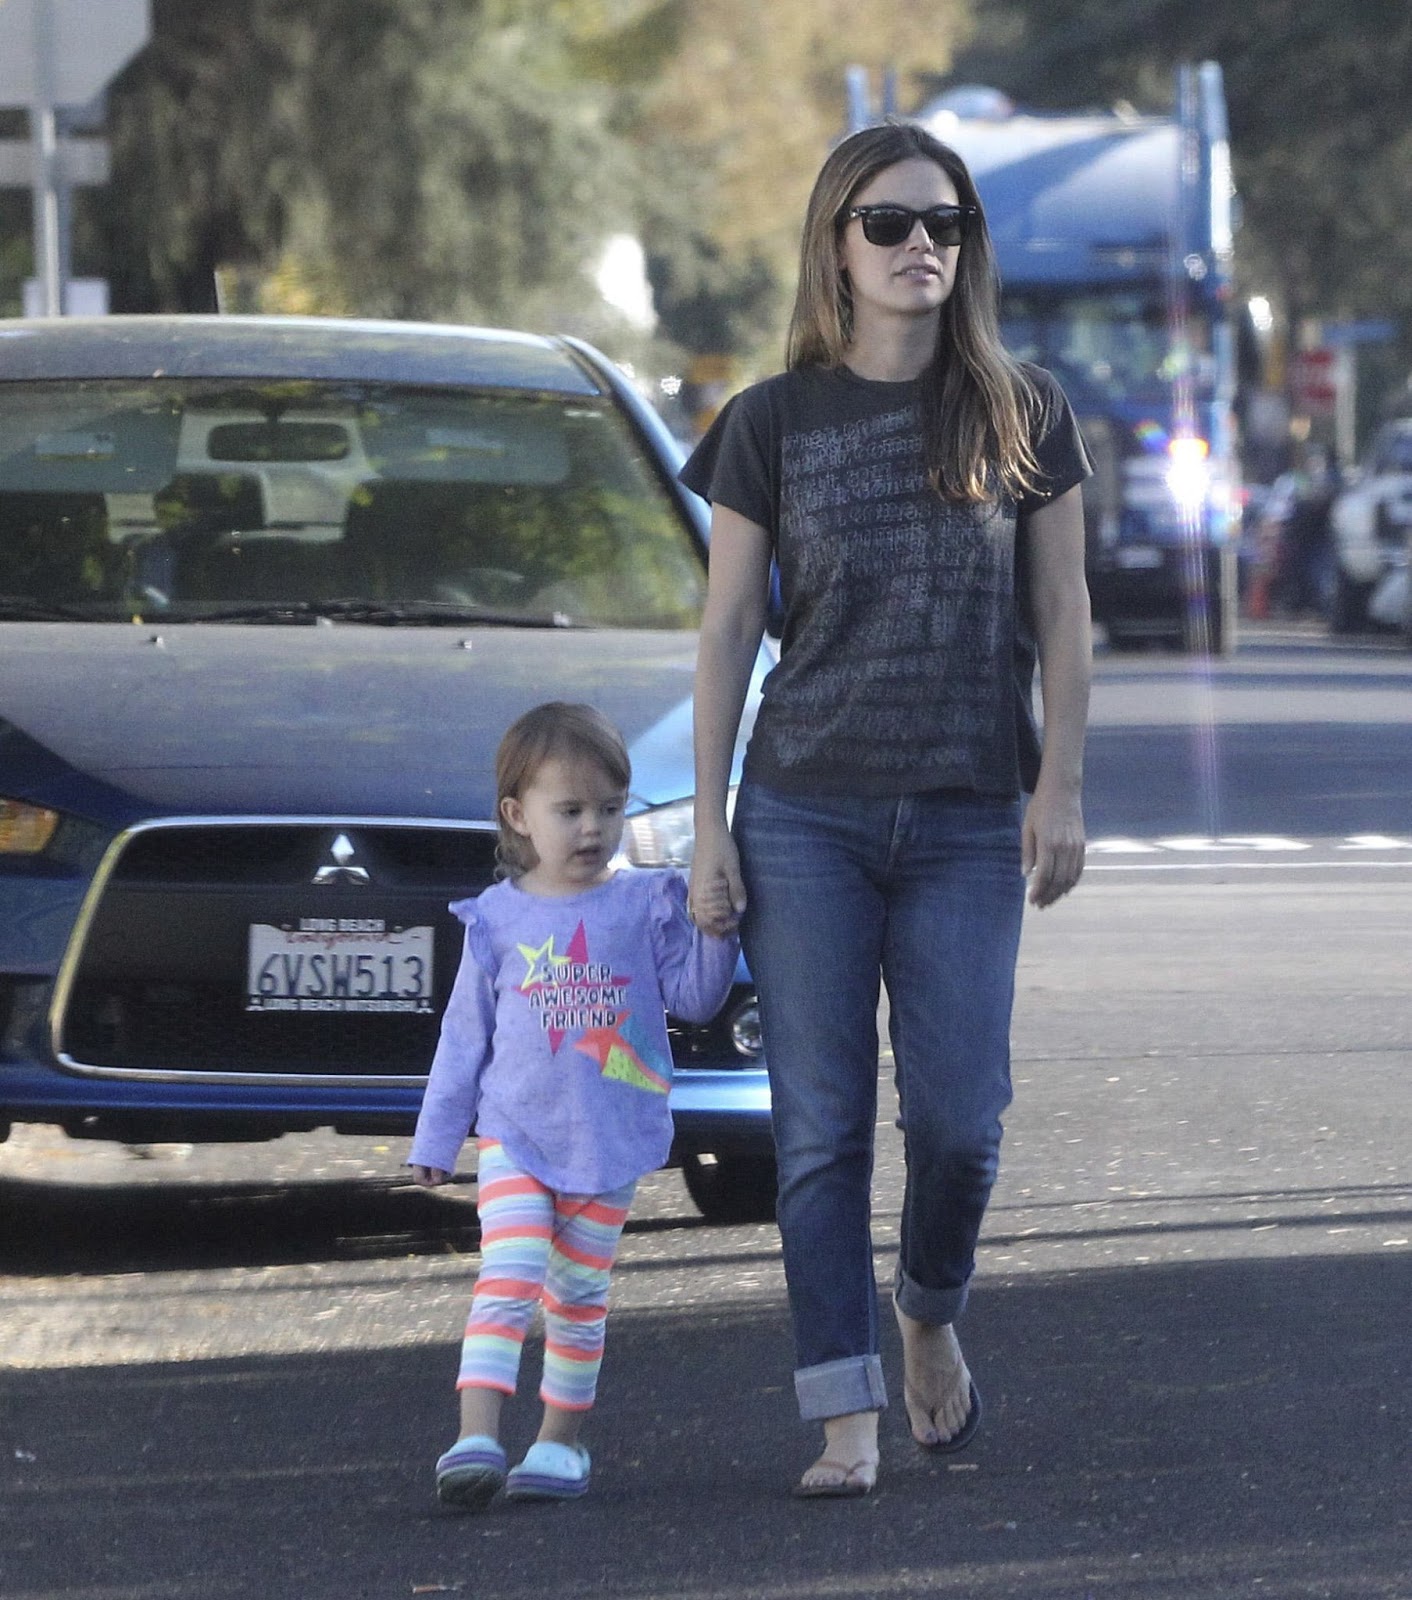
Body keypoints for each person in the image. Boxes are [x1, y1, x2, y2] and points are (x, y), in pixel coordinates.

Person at [681, 122, 1092, 1499]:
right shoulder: (769, 421)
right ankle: (842, 1412)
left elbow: (1063, 612)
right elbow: (730, 627)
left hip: (972, 814)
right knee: (816, 1132)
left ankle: (926, 1311)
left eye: (949, 223)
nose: (924, 244)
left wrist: (1065, 783)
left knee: (964, 1120)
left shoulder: (1023, 409)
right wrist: (707, 824)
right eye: (891, 223)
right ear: (836, 247)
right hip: (804, 814)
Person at [408, 701, 740, 1510]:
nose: (593, 828)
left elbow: (696, 999)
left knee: (580, 1295)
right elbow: (463, 1037)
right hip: (516, 1134)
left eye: (610, 809)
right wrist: (437, 1134)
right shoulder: (497, 919)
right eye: (570, 811)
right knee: (509, 1276)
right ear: (519, 817)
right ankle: (475, 1436)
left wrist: (717, 929)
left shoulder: (645, 903)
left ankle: (559, 1445)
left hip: (611, 1136)